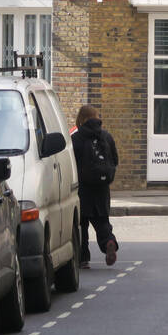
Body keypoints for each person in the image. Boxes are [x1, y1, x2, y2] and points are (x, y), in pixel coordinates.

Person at [72, 104, 120, 268]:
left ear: (81, 119)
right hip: (102, 188)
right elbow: (114, 159)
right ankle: (109, 242)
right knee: (102, 222)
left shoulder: (76, 139)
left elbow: (72, 163)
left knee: (82, 225)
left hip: (82, 189)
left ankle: (83, 259)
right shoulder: (106, 136)